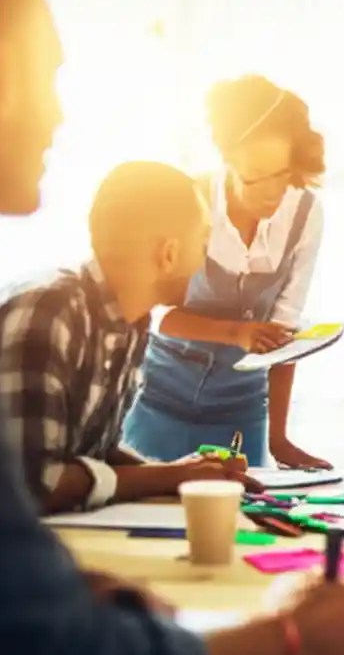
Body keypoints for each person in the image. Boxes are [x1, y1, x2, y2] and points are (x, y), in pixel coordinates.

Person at [0, 0, 344, 655]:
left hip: (233, 399)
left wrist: (60, 584)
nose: (59, 117)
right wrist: (284, 637)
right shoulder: (13, 313)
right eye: (50, 83)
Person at [0, 161, 263, 515]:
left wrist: (183, 473)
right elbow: (36, 483)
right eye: (204, 240)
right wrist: (169, 477)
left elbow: (90, 454)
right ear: (169, 254)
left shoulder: (130, 322)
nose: (205, 258)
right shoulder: (48, 312)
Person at [123, 75, 332, 470]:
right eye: (255, 177)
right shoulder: (189, 199)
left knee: (242, 523)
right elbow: (153, 313)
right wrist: (235, 333)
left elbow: (283, 330)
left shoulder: (306, 214)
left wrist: (279, 440)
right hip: (158, 402)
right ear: (226, 161)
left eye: (282, 174)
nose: (272, 191)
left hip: (240, 411)